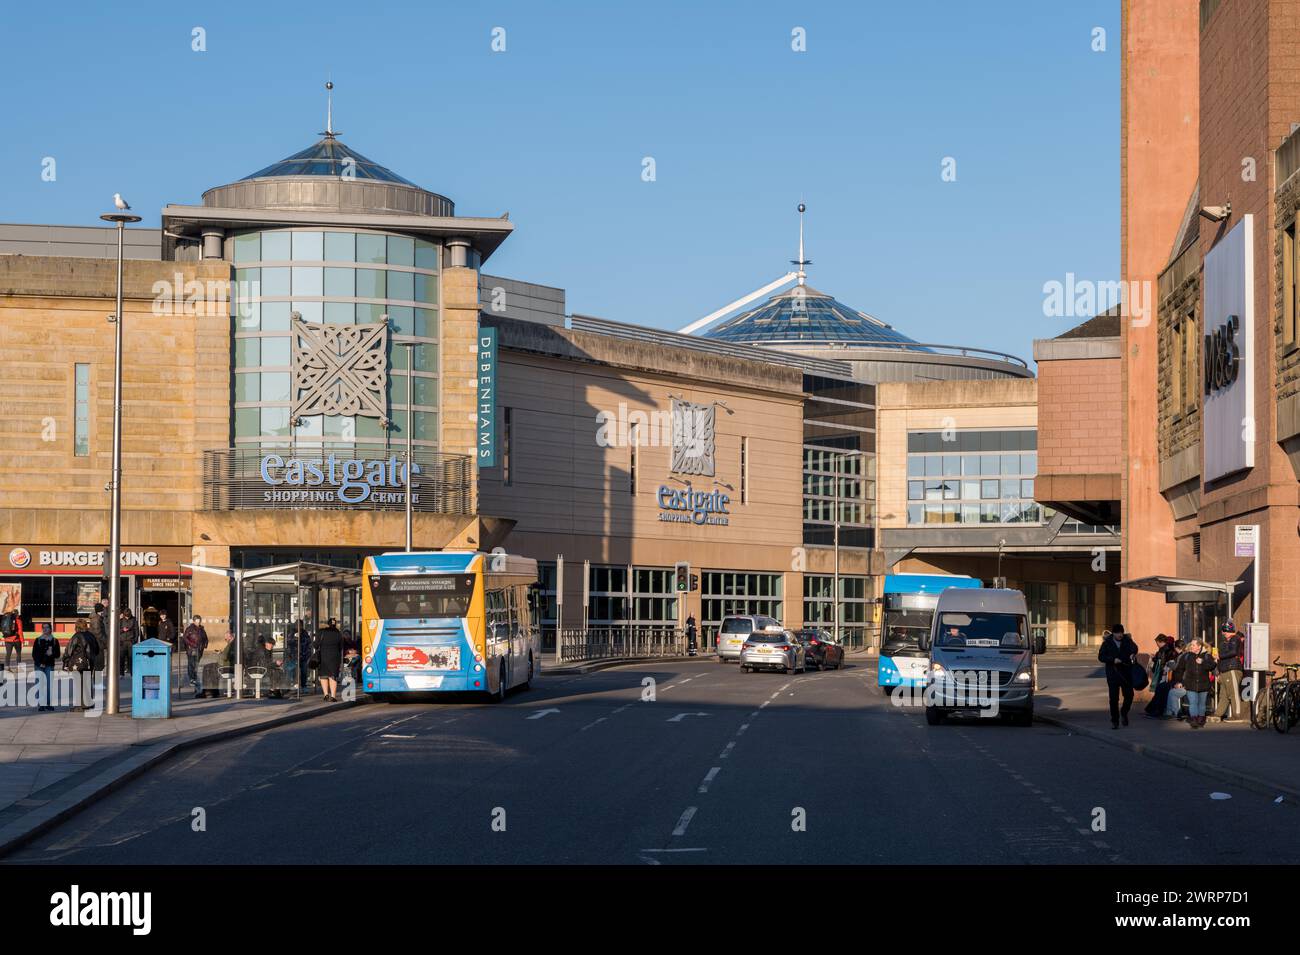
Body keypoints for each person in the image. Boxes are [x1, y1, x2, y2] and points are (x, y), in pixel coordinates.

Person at [1098, 623, 1139, 729]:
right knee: (1113, 699)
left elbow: (1135, 648)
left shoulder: (1127, 640)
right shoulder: (1107, 642)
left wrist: (1133, 653)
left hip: (1126, 673)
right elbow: (1101, 656)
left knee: (1129, 695)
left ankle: (1124, 712)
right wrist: (1112, 660)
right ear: (1114, 633)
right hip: (1113, 674)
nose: (1120, 635)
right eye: (1118, 633)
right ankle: (1114, 720)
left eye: (1121, 632)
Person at [1170, 638, 1218, 728]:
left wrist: (1203, 662)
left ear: (1199, 647)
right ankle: (1194, 720)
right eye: (1191, 645)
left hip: (1203, 684)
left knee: (1202, 704)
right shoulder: (1187, 656)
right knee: (1193, 702)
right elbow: (1179, 669)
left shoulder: (1207, 656)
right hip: (1190, 683)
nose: (1191, 646)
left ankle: (1201, 719)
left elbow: (1212, 666)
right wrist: (1178, 681)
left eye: (1193, 645)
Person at [1213, 621, 1245, 722]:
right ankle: (1218, 714)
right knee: (1224, 694)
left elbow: (1234, 652)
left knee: (1233, 693)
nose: (1224, 633)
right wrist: (1218, 672)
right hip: (1224, 669)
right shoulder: (1225, 641)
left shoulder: (1235, 639)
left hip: (1232, 668)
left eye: (1225, 631)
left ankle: (1237, 715)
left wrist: (1220, 656)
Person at [63, 621, 95, 711]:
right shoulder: (91, 635)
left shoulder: (77, 636)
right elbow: (96, 648)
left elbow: (69, 650)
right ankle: (89, 703)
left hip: (79, 663)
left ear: (77, 627)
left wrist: (65, 660)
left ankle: (81, 706)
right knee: (87, 682)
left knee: (79, 683)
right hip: (90, 662)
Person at [1144, 634, 1178, 718]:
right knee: (1159, 692)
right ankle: (1152, 709)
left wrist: (1155, 658)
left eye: (1157, 642)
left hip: (1164, 674)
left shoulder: (1165, 650)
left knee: (1160, 692)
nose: (1156, 644)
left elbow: (1163, 662)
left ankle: (1157, 710)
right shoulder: (1166, 649)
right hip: (1163, 673)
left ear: (1160, 642)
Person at [30, 622, 61, 711]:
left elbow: (58, 654)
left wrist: (52, 653)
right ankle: (41, 704)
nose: (45, 629)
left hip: (49, 666)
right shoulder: (38, 640)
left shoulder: (54, 641)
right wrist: (39, 663)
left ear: (50, 629)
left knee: (49, 685)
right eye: (43, 627)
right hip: (39, 666)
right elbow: (34, 654)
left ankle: (48, 704)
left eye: (47, 627)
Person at [314, 618, 343, 702]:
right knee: (333, 676)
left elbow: (316, 645)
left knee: (323, 675)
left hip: (323, 656)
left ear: (328, 624)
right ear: (335, 624)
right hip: (334, 657)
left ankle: (326, 695)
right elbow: (341, 647)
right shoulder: (338, 633)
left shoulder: (321, 632)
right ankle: (333, 696)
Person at [181, 615, 208, 687]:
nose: (198, 623)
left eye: (199, 621)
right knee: (191, 663)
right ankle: (192, 678)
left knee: (196, 664)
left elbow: (205, 637)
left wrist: (205, 645)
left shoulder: (202, 629)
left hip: (199, 649)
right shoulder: (189, 629)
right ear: (194, 621)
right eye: (197, 622)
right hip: (191, 649)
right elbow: (185, 638)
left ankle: (195, 678)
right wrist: (192, 644)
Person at [118, 609, 141, 676]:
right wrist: (123, 630)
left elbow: (137, 631)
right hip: (122, 642)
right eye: (126, 616)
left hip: (131, 641)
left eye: (128, 616)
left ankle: (132, 673)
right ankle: (121, 673)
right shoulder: (121, 621)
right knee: (121, 658)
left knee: (131, 658)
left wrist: (135, 640)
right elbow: (116, 630)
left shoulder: (134, 620)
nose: (127, 617)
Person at [87, 602, 107, 673]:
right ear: (100, 610)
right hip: (98, 644)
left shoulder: (98, 618)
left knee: (98, 665)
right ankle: (97, 683)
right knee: (98, 665)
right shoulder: (96, 619)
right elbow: (98, 632)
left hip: (98, 644)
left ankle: (96, 682)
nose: (104, 611)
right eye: (103, 609)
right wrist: (106, 641)